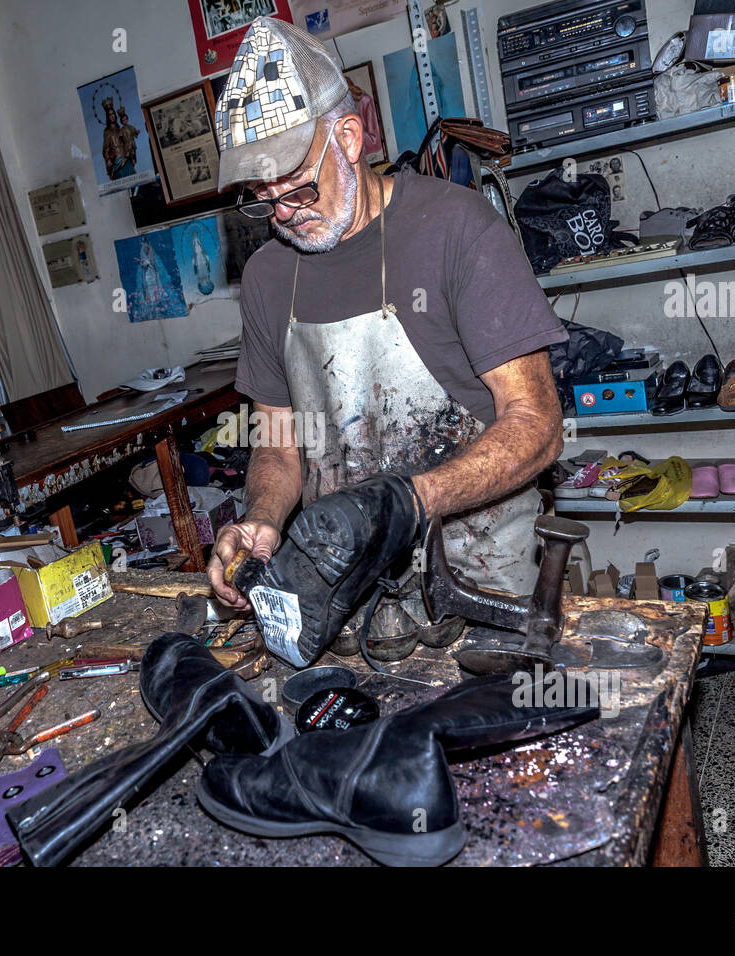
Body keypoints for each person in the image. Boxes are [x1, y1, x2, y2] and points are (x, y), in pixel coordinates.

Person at [205, 17, 569, 667]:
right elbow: (279, 443)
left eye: (297, 188)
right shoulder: (266, 277)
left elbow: (537, 425)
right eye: (262, 199)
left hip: (487, 572)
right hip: (351, 591)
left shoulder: (456, 229)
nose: (284, 213)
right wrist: (260, 520)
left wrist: (409, 503)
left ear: (346, 139)